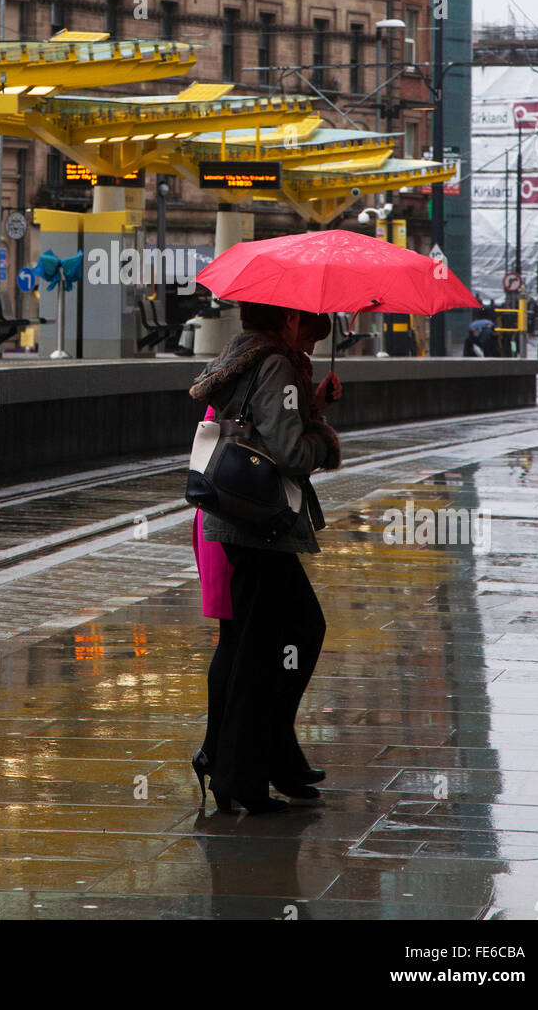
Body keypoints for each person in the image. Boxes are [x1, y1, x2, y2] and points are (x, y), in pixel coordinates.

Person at [189, 302, 342, 815]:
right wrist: (321, 435)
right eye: (311, 327)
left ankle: (259, 761)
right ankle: (245, 772)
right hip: (260, 526)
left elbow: (263, 422)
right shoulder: (277, 363)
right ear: (290, 320)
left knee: (262, 642)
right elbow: (293, 453)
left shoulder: (243, 354)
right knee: (284, 639)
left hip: (236, 522)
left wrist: (312, 403)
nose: (313, 341)